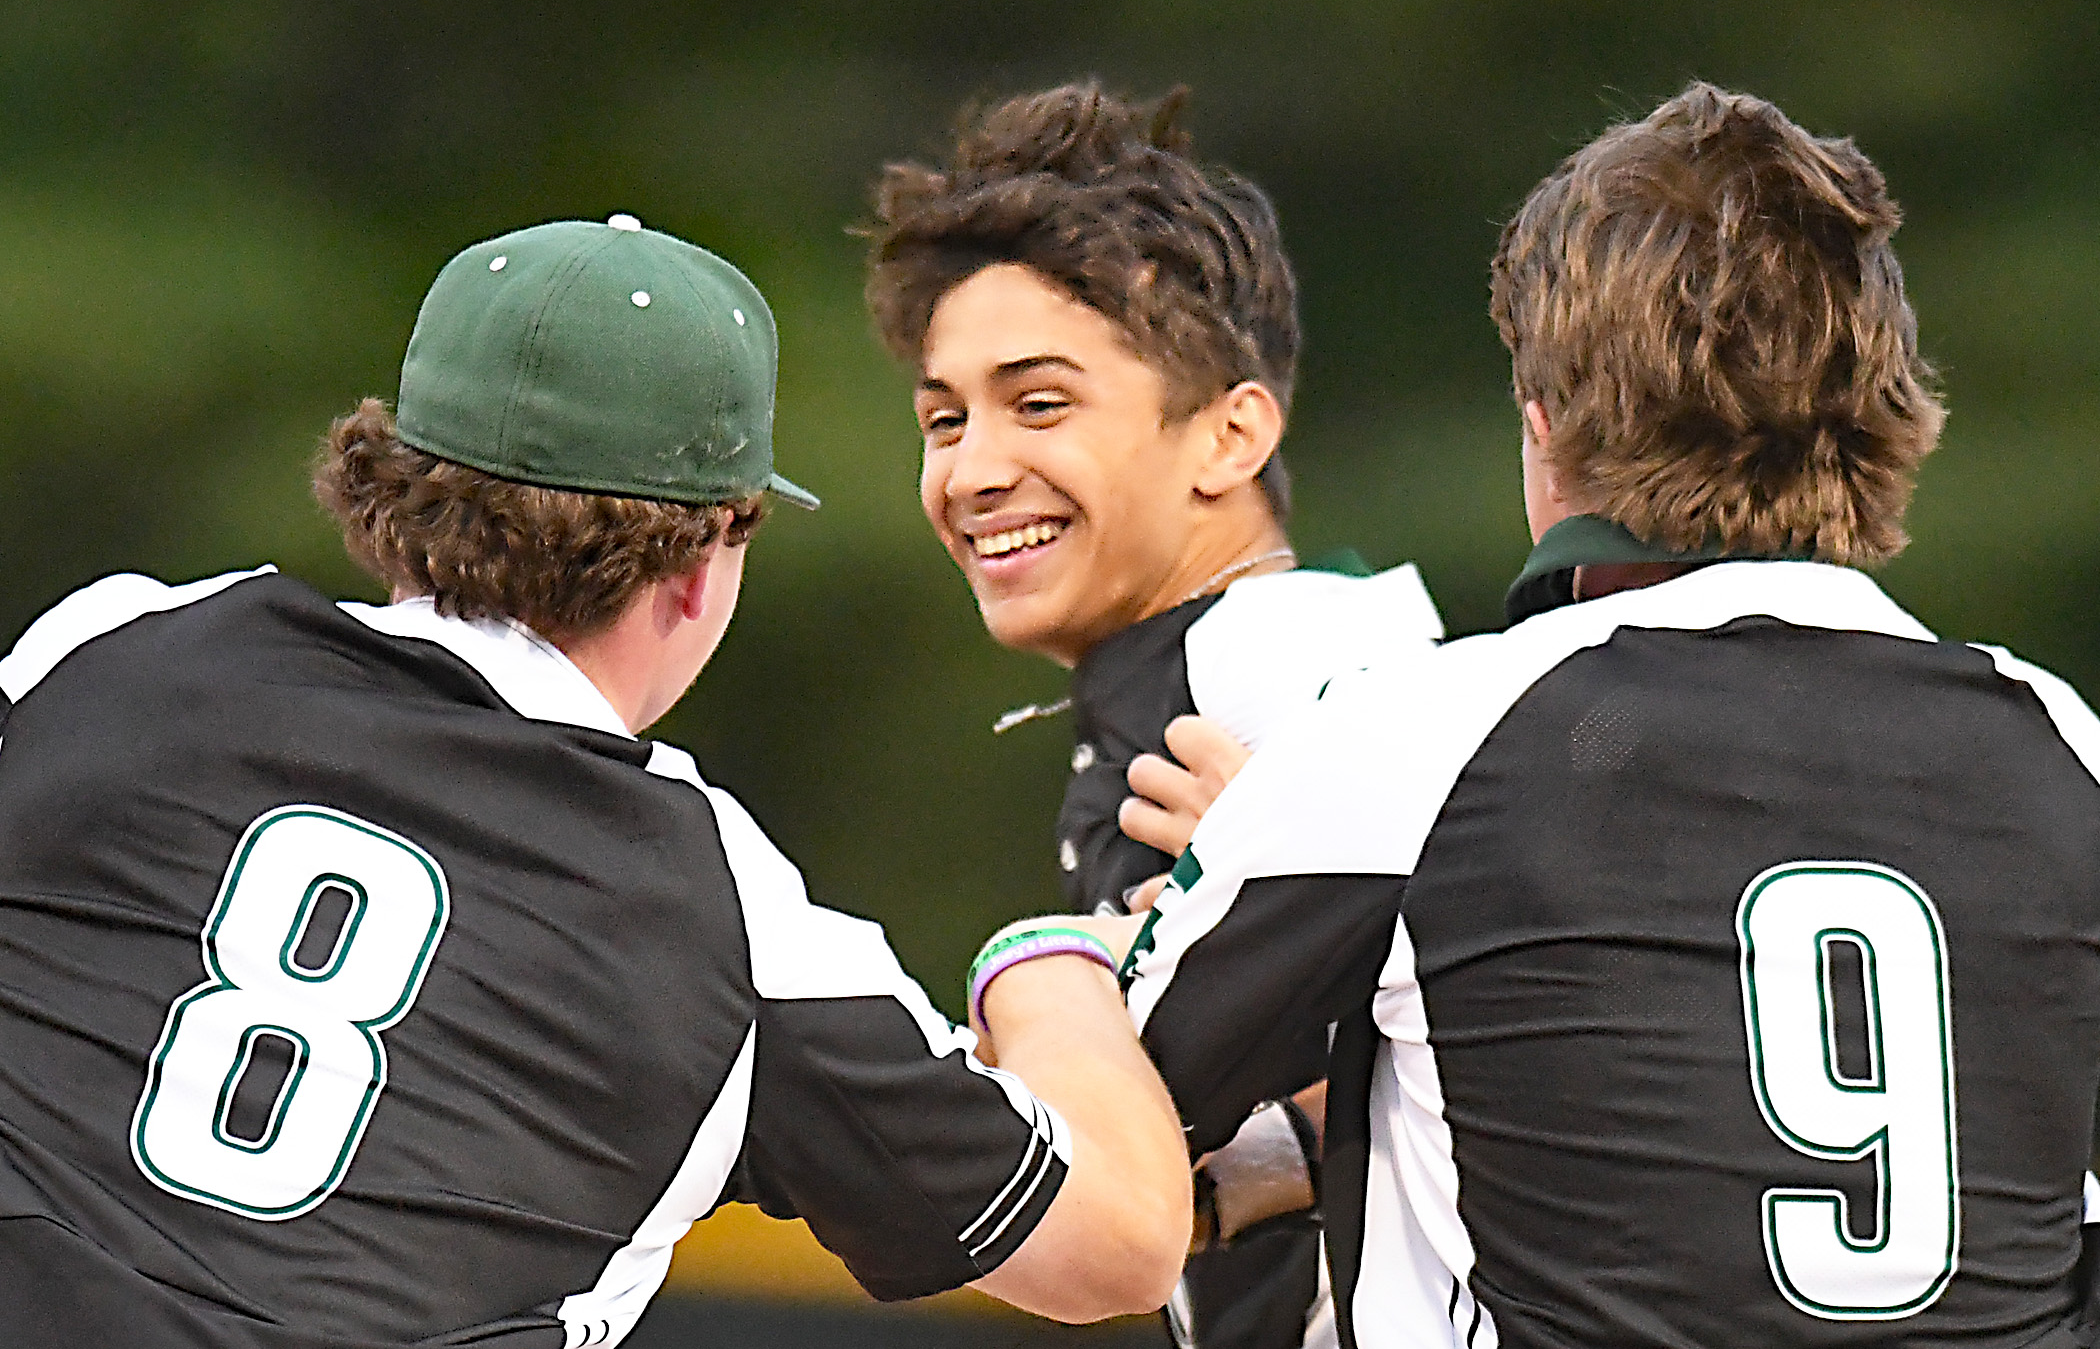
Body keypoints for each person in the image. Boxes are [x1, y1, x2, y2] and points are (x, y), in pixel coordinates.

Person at [0, 215, 1189, 1347]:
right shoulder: (733, 920)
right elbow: (1123, 1246)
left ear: (393, 489)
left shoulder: (112, 652)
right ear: (699, 566)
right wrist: (1050, 968)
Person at [1116, 84, 2100, 1348]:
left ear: (1544, 422)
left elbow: (1087, 1118)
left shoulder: (1416, 741)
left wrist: (1096, 948)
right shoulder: (2063, 747)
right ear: (1888, 415)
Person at [864, 82, 1444, 1349]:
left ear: (1230, 436)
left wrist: (1330, 919)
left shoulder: (1279, 657)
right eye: (943, 418)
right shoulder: (1194, 667)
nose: (972, 469)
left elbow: (1524, 1033)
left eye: (1041, 403)